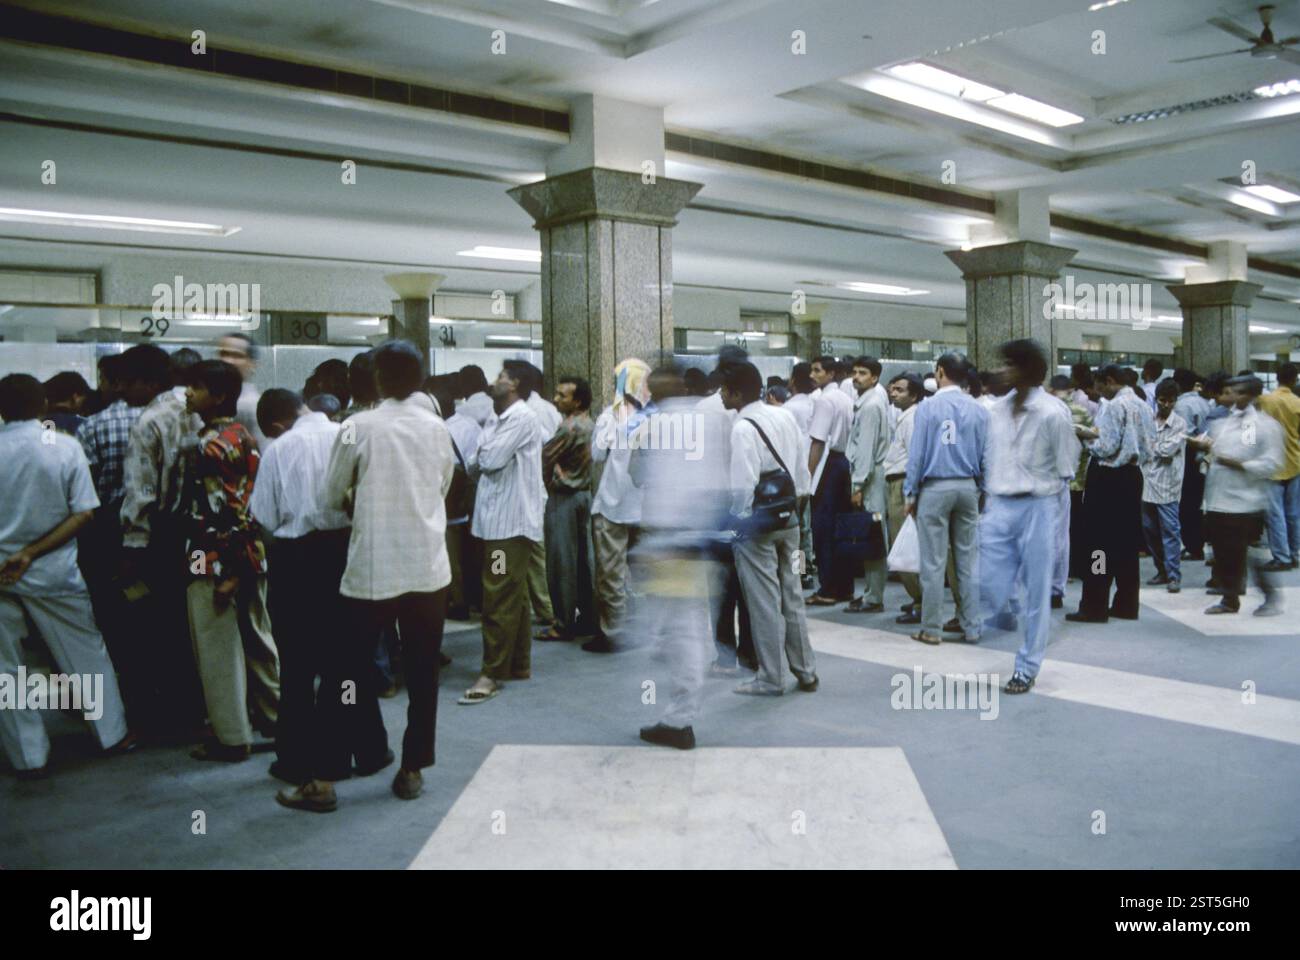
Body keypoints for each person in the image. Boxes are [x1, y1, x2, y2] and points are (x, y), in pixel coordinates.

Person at [321, 340, 455, 802]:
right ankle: (412, 769)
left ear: (377, 379)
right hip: (428, 569)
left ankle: (324, 778)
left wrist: (360, 504)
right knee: (422, 674)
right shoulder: (437, 429)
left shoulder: (358, 427)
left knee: (346, 671)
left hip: (372, 570)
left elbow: (330, 498)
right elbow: (442, 486)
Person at [0, 374, 135, 779]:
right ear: (43, 404)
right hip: (53, 570)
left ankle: (29, 756)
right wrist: (31, 553)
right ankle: (112, 735)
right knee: (85, 654)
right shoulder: (63, 446)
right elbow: (84, 513)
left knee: (6, 668)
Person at [248, 388, 356, 810]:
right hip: (345, 555)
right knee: (343, 668)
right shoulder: (346, 437)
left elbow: (267, 518)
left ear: (275, 423)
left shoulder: (279, 449)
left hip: (296, 562)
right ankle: (347, 756)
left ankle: (295, 761)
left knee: (296, 668)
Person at [181, 360, 280, 763]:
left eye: (196, 387)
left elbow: (224, 510)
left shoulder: (207, 445)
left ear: (218, 396)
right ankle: (278, 720)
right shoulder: (243, 436)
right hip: (251, 553)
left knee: (217, 648)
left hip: (211, 556)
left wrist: (228, 572)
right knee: (259, 641)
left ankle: (231, 736)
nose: (188, 393)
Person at [633, 365, 732, 749]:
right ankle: (681, 713)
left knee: (678, 630)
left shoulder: (658, 425)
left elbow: (640, 477)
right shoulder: (710, 419)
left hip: (671, 538)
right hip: (698, 535)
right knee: (685, 625)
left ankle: (679, 720)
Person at [979, 341, 1079, 694]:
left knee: (1037, 590)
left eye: (1011, 365)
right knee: (987, 580)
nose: (1003, 371)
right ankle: (1002, 610)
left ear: (1028, 370)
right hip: (1000, 503)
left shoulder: (1053, 412)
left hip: (1039, 502)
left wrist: (1051, 505)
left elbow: (1067, 464)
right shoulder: (995, 411)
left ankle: (1027, 666)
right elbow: (990, 456)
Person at [75, 345, 164, 729]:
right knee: (161, 621)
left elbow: (84, 491)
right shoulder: (168, 419)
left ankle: (133, 706)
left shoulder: (92, 426)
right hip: (162, 532)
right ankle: (171, 704)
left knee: (117, 626)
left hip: (109, 533)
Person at [119, 346, 207, 735]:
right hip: (203, 535)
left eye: (130, 382)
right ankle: (206, 706)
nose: (124, 390)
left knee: (163, 625)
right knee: (200, 620)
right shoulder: (205, 413)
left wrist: (133, 549)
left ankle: (176, 712)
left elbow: (141, 491)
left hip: (164, 536)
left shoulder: (150, 420)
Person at [720, 361, 818, 696]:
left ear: (735, 393)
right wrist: (798, 508)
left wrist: (739, 521)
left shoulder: (742, 427)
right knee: (793, 592)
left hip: (758, 530)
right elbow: (801, 470)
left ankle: (771, 677)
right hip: (791, 524)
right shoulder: (785, 415)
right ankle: (806, 670)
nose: (720, 394)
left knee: (763, 600)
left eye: (723, 389)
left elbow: (743, 485)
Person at [461, 360, 544, 705]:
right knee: (515, 595)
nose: (494, 381)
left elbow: (489, 460)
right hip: (496, 521)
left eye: (501, 377)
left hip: (508, 525)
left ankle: (491, 673)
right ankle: (517, 663)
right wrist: (483, 454)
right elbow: (471, 461)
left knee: (497, 596)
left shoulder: (522, 418)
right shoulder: (497, 417)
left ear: (515, 384)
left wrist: (484, 454)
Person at [904, 352, 987, 645]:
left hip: (935, 488)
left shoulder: (927, 408)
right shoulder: (978, 410)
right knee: (967, 560)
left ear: (940, 372)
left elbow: (917, 455)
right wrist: (983, 490)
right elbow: (986, 454)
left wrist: (910, 492)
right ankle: (972, 626)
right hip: (967, 487)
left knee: (934, 561)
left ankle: (931, 629)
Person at [1188, 375, 1284, 616]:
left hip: (1243, 501)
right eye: (1231, 391)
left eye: (1239, 392)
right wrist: (1206, 447)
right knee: (1223, 553)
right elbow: (1222, 449)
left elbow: (1254, 457)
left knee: (1243, 553)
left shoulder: (1253, 424)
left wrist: (1236, 463)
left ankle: (1268, 595)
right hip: (1219, 498)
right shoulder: (1226, 421)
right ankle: (1229, 598)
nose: (1233, 396)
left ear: (1251, 396)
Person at [1068, 364, 1152, 623]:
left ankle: (1095, 604)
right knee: (1127, 545)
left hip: (1107, 477)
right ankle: (1127, 604)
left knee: (1098, 545)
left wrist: (1084, 435)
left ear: (1110, 381)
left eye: (1100, 385)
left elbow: (1105, 445)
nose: (1097, 391)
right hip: (1133, 476)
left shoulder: (1113, 406)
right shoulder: (1143, 405)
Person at [588, 358, 649, 653]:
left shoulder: (611, 416)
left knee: (610, 572)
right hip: (645, 508)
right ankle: (642, 628)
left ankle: (613, 632)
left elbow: (597, 455)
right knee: (641, 571)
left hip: (613, 504)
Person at [536, 376, 597, 643]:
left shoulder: (568, 428)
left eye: (563, 395)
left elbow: (546, 457)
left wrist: (550, 484)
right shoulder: (591, 424)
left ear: (578, 400)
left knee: (561, 563)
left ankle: (562, 623)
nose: (556, 399)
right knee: (584, 562)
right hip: (585, 496)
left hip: (564, 499)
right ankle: (588, 617)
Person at [806, 355, 854, 605]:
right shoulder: (847, 398)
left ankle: (827, 588)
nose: (812, 375)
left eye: (817, 371)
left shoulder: (825, 400)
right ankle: (844, 586)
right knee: (840, 530)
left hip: (826, 466)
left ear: (831, 373)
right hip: (843, 463)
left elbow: (817, 441)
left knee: (822, 530)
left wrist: (807, 475)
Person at [844, 356, 890, 614]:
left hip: (870, 478)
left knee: (872, 536)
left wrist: (857, 486)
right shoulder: (869, 401)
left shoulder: (871, 405)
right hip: (872, 475)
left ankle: (874, 597)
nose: (856, 377)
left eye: (863, 373)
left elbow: (865, 450)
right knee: (872, 535)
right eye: (855, 372)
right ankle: (872, 593)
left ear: (874, 378)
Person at [1141, 380, 1188, 592]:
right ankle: (1161, 570)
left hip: (1168, 486)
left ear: (1175, 401)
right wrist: (1151, 447)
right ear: (1156, 399)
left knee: (1170, 532)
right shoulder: (1148, 420)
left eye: (1170, 401)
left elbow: (1167, 451)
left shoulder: (1179, 424)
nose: (1166, 405)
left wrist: (1150, 446)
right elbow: (1142, 447)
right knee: (1150, 532)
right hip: (1146, 485)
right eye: (1162, 400)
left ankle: (1173, 575)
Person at [884, 373, 923, 623]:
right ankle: (917, 598)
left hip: (902, 484)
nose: (894, 393)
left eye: (900, 390)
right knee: (902, 543)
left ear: (915, 395)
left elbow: (914, 459)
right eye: (893, 389)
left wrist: (910, 494)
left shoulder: (912, 419)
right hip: (896, 482)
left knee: (904, 544)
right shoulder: (904, 416)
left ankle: (921, 601)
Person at [1048, 375, 1093, 591]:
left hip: (1053, 480)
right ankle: (1078, 568)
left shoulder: (1046, 410)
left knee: (1057, 531)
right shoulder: (1082, 411)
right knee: (1075, 528)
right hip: (1078, 476)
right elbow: (1095, 437)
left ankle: (1058, 578)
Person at [1258, 362, 1300, 572]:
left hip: (1271, 464)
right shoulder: (1297, 403)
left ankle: (1281, 557)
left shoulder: (1265, 401)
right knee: (1293, 513)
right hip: (1294, 462)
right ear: (1295, 379)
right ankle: (1294, 554)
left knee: (1275, 513)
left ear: (1276, 377)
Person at [783, 362, 818, 589]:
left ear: (793, 380)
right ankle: (805, 570)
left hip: (794, 473)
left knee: (796, 529)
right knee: (806, 528)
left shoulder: (788, 409)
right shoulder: (816, 404)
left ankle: (798, 571)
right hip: (813, 471)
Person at [1172, 368, 1211, 562]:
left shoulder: (1181, 406)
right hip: (1205, 456)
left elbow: (1183, 435)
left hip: (1189, 456)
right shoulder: (1205, 402)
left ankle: (1193, 546)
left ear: (1177, 384)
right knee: (1197, 502)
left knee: (1187, 503)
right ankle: (1199, 543)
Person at [217, 333, 264, 448]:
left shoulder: (253, 404)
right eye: (224, 354)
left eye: (237, 355)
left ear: (252, 364)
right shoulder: (214, 396)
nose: (227, 360)